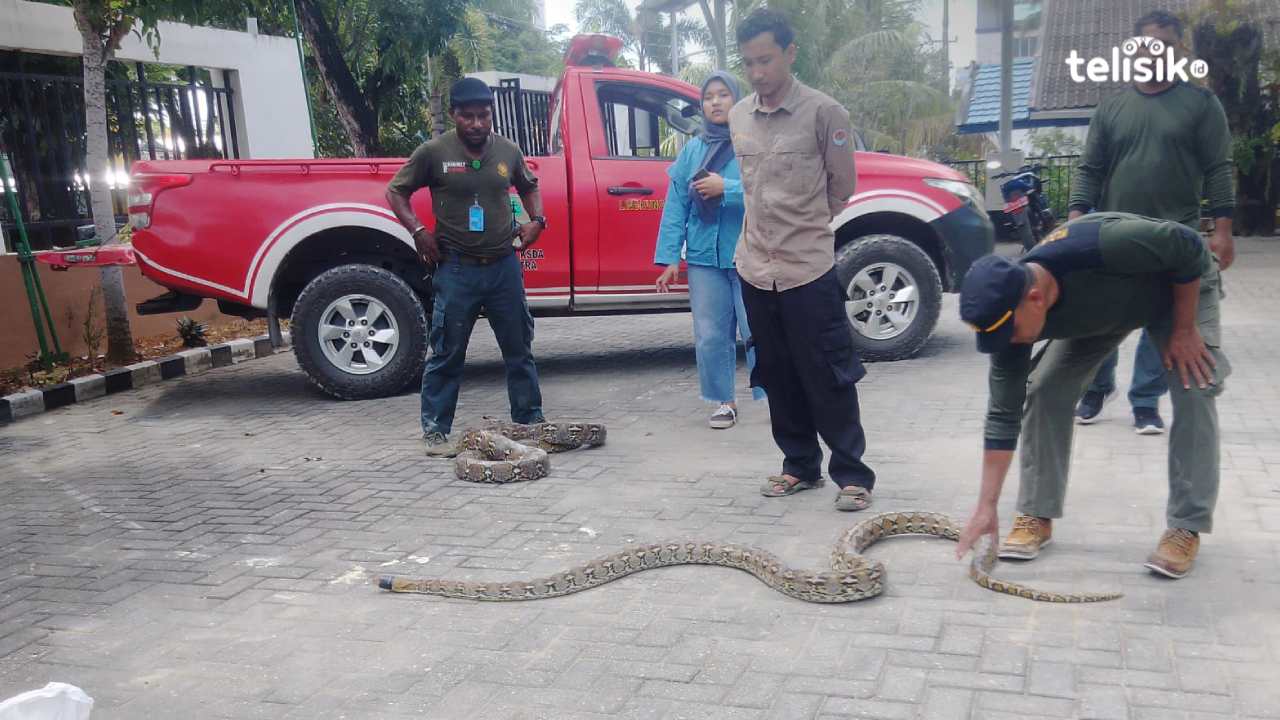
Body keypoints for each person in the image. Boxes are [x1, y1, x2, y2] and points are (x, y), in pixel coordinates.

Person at [955, 212, 1230, 579]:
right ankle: (1037, 512)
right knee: (1046, 389)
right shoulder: (1010, 319)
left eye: (1014, 333)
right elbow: (1003, 416)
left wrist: (1183, 328)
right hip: (1102, 312)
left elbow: (1188, 245)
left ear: (1035, 298)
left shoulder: (1101, 244)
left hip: (1175, 292)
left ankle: (1186, 525)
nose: (1011, 344)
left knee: (1193, 384)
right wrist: (986, 507)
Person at [729, 9, 876, 512]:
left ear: (790, 54)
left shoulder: (824, 112)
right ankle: (798, 465)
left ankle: (852, 474)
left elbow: (843, 188)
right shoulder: (738, 116)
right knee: (775, 372)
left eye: (765, 60)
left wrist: (804, 228)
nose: (756, 73)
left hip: (807, 269)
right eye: (748, 63)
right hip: (753, 268)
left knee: (827, 372)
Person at [1069, 9, 1235, 435]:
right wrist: (1075, 218)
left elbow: (1219, 167)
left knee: (1160, 318)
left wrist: (1223, 229)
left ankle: (1145, 402)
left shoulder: (1200, 104)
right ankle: (1095, 389)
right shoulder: (1113, 109)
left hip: (1174, 233)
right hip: (1115, 230)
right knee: (1104, 313)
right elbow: (1090, 168)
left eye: (1163, 44)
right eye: (1145, 44)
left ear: (1178, 50)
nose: (1152, 52)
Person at [385, 77, 550, 456]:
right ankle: (435, 431)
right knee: (447, 353)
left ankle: (529, 419)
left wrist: (537, 221)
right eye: (468, 116)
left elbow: (529, 185)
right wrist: (418, 230)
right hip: (456, 270)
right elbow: (396, 190)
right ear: (454, 115)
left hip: (503, 267)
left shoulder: (508, 151)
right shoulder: (433, 152)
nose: (477, 123)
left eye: (484, 115)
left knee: (519, 348)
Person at [654, 71, 765, 429]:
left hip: (750, 253)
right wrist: (670, 257)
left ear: (737, 99)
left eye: (723, 95)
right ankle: (723, 402)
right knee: (711, 334)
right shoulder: (693, 149)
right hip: (704, 258)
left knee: (759, 328)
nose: (715, 102)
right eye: (708, 97)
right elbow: (675, 207)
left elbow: (769, 191)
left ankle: (776, 394)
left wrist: (727, 188)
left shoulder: (754, 142)